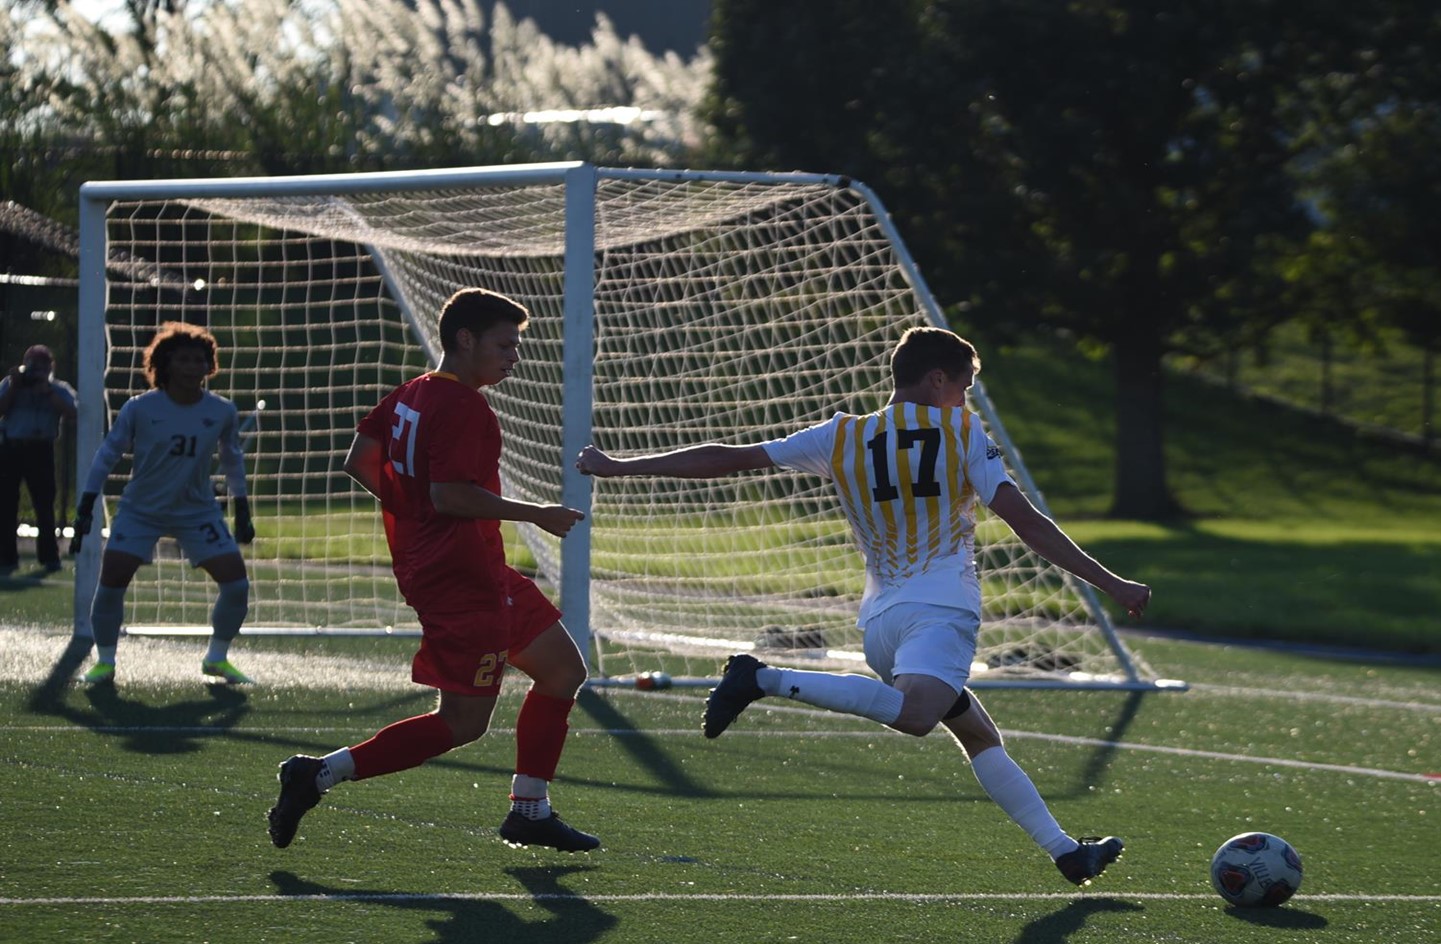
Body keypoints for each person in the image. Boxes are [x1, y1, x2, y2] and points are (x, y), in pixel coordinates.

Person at [576, 326, 1152, 885]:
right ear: (935, 380)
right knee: (917, 716)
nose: (964, 398)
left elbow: (731, 457)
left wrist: (623, 467)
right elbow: (1024, 521)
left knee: (978, 734)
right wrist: (1114, 583)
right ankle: (762, 676)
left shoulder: (841, 434)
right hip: (940, 611)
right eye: (963, 385)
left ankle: (1066, 853)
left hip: (879, 623)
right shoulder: (962, 431)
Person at [267, 287, 598, 853]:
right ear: (464, 339)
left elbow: (359, 460)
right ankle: (317, 774)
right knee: (464, 723)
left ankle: (530, 811)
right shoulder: (464, 406)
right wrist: (533, 513)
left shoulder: (411, 393)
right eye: (503, 344)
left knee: (564, 670)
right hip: (461, 582)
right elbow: (449, 495)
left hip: (472, 570)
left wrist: (414, 514)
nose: (513, 356)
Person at [73, 324, 255, 686]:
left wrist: (243, 508)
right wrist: (86, 504)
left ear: (210, 366)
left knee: (236, 585)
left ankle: (216, 659)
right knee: (112, 583)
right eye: (183, 359)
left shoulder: (221, 411)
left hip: (198, 510)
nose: (192, 367)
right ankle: (105, 662)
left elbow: (232, 459)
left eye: (199, 360)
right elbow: (108, 454)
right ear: (164, 364)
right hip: (141, 510)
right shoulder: (141, 407)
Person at [0, 344, 78, 574]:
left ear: (50, 368)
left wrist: (48, 392)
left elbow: (73, 413)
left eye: (42, 366)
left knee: (44, 505)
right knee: (5, 505)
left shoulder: (58, 388)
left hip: (41, 449)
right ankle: (6, 557)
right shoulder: (11, 384)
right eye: (33, 365)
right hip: (12, 448)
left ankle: (49, 556)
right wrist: (15, 387)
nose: (36, 371)